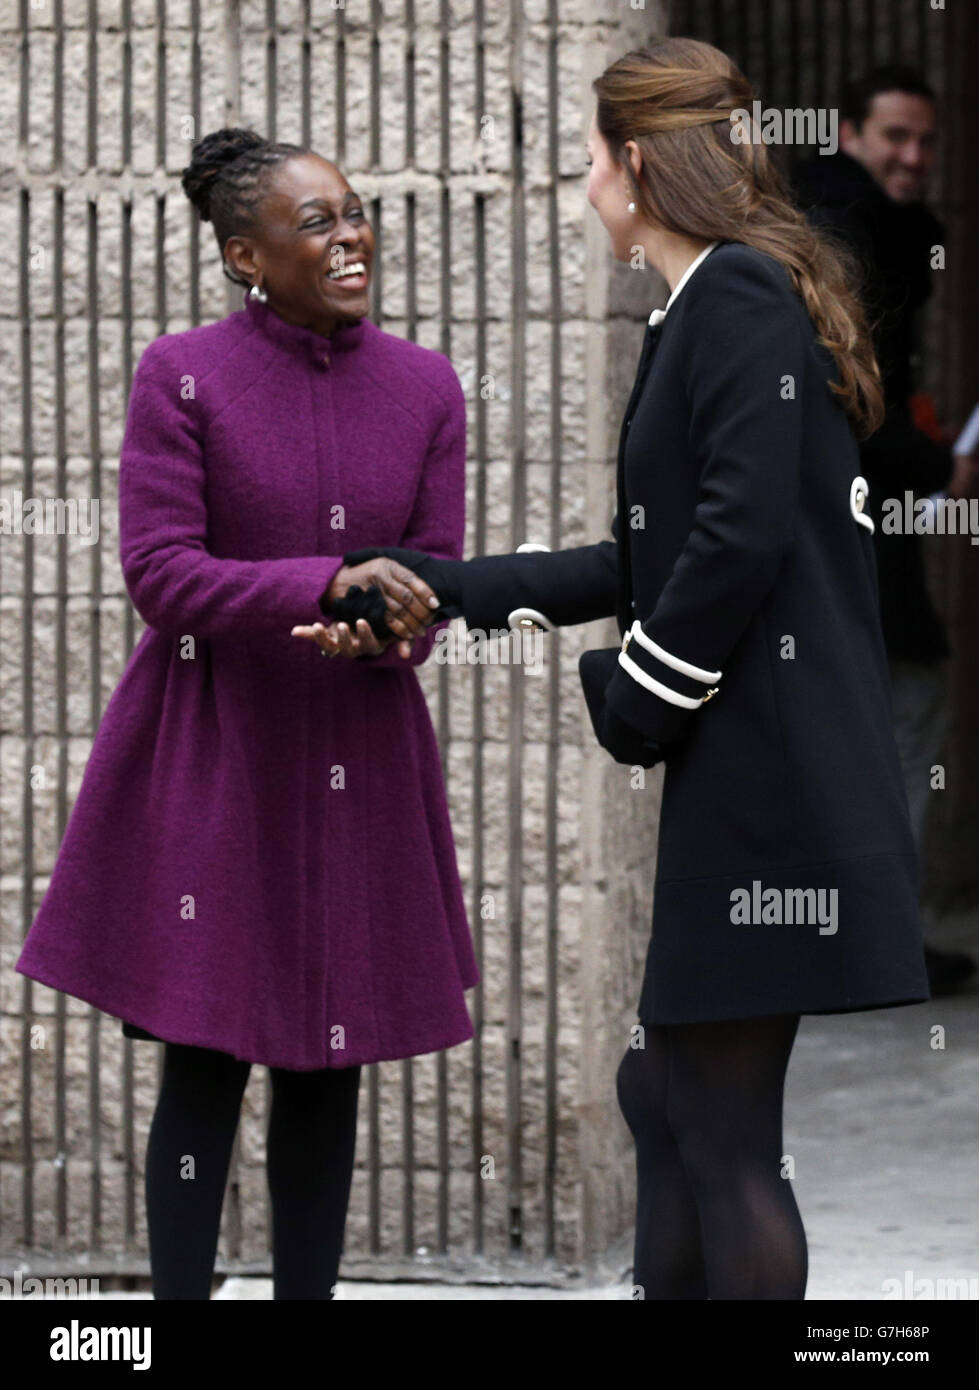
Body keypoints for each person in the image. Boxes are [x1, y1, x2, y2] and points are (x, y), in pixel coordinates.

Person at [298, 39, 932, 1301]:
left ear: (638, 163)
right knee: (671, 1096)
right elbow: (649, 555)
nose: (582, 188)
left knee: (722, 1126)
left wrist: (644, 693)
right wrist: (439, 583)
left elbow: (736, 534)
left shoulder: (737, 295)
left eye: (589, 161)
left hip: (777, 788)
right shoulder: (711, 305)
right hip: (758, 777)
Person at [15, 127, 479, 1299]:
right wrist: (319, 583)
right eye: (317, 221)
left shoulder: (426, 386)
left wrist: (388, 625)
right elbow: (160, 573)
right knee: (207, 1053)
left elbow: (430, 580)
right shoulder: (182, 372)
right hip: (215, 752)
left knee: (332, 1060)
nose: (351, 235)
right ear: (243, 256)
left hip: (361, 748)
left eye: (356, 211)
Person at [794, 67, 978, 995]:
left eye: (924, 141)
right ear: (846, 133)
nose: (912, 157)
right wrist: (933, 465)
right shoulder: (854, 231)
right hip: (848, 528)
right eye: (894, 137)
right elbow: (849, 391)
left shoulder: (824, 221)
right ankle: (869, 940)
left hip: (826, 530)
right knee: (905, 711)